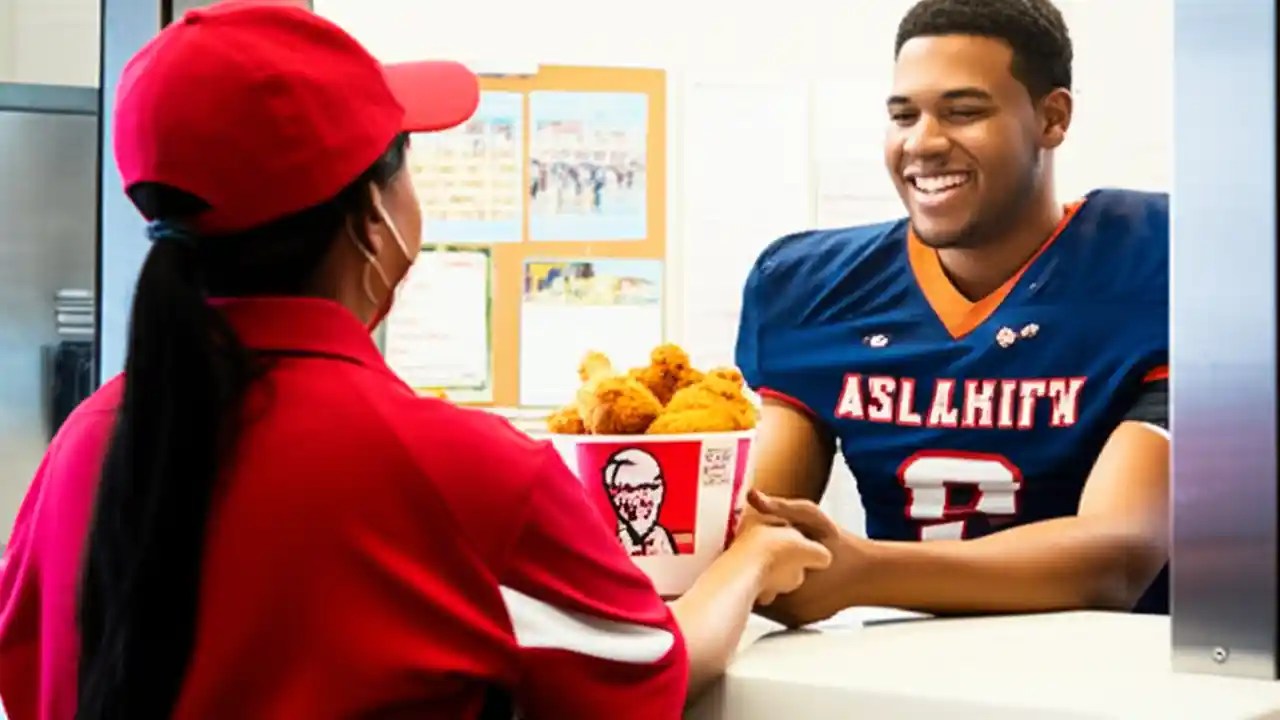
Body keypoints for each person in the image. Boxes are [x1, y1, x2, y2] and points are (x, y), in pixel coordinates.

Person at [0, 4, 831, 720]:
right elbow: (651, 672)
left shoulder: (86, 441)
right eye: (406, 164)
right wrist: (752, 557)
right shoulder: (461, 469)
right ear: (372, 213)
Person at [735, 0, 1169, 627]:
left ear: (1052, 117)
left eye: (964, 112)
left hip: (1117, 680)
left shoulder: (1157, 260)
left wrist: (865, 572)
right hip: (903, 673)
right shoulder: (815, 286)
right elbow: (759, 520)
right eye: (903, 114)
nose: (924, 142)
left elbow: (1119, 555)